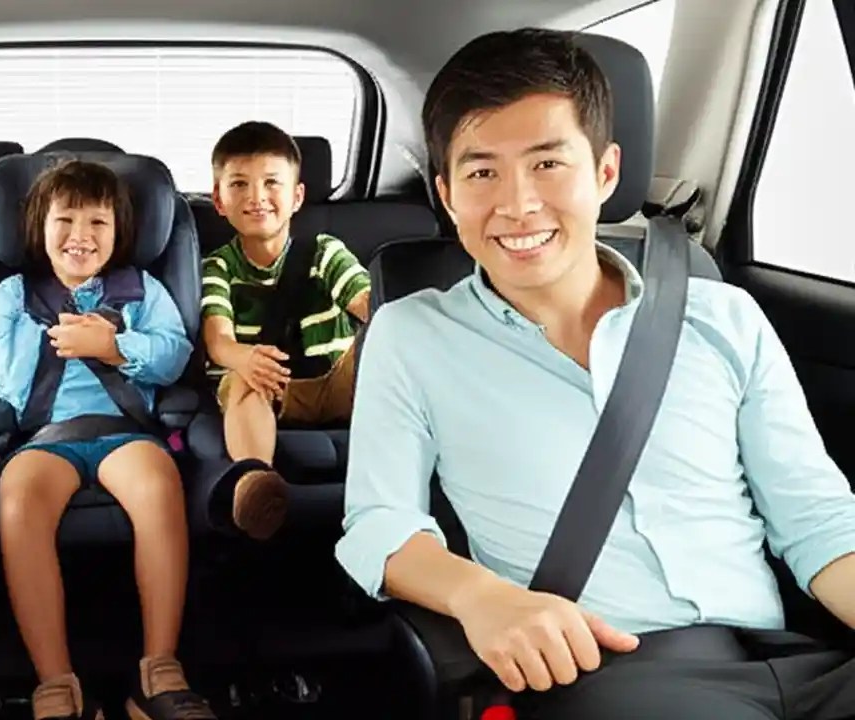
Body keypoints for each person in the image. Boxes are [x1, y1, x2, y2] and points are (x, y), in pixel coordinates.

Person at [338, 28, 855, 719]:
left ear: (605, 173)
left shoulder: (724, 317)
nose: (518, 204)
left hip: (795, 656)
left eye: (548, 164)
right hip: (612, 669)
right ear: (447, 193)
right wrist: (483, 599)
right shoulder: (413, 333)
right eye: (483, 172)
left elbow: (818, 520)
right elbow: (379, 524)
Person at [0, 160, 217, 720]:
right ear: (40, 228)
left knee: (159, 485)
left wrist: (115, 347)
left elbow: (175, 357)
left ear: (120, 233)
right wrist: (58, 338)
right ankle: (55, 681)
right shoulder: (12, 296)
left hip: (125, 434)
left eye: (98, 223)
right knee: (18, 495)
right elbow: (8, 388)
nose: (81, 236)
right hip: (45, 437)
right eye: (65, 220)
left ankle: (159, 665)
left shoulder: (144, 290)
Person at [200, 121, 372, 540]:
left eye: (271, 183)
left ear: (297, 197)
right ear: (218, 201)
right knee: (239, 377)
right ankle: (257, 480)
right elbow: (218, 338)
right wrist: (244, 357)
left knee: (384, 335)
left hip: (337, 380)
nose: (256, 197)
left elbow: (369, 304)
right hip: (268, 386)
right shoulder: (218, 266)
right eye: (239, 184)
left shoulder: (324, 251)